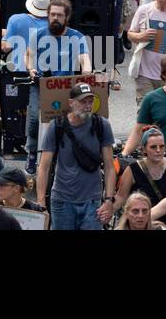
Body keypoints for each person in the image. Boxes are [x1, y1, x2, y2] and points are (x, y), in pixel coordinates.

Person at [36, 83, 116, 230]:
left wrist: (109, 200)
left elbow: (110, 166)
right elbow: (43, 167)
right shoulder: (57, 126)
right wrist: (41, 203)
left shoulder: (101, 125)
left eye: (90, 101)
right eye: (82, 102)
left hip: (92, 201)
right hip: (62, 200)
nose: (87, 106)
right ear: (71, 103)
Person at [113, 126, 166, 222]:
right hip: (142, 223)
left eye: (161, 146)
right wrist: (107, 210)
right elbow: (121, 198)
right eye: (153, 147)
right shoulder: (133, 169)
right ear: (144, 150)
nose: (158, 150)